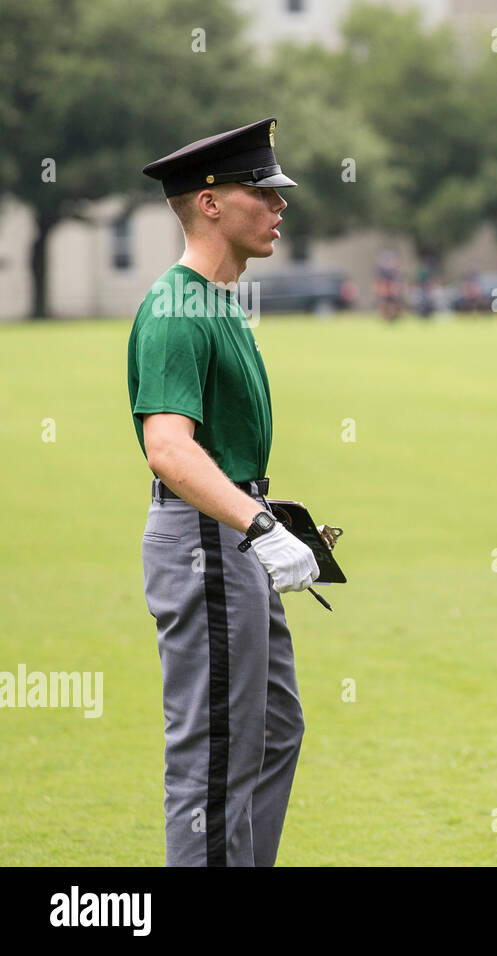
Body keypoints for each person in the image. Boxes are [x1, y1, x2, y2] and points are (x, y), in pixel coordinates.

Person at [129, 118, 319, 866]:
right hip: (211, 540)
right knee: (214, 759)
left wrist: (267, 518)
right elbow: (168, 448)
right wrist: (256, 521)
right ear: (210, 203)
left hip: (233, 533)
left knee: (272, 729)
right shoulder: (177, 307)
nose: (280, 206)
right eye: (262, 191)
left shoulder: (218, 302)